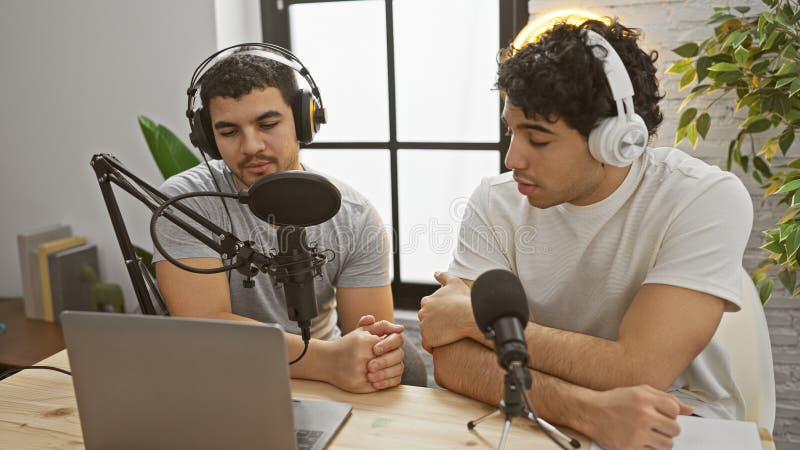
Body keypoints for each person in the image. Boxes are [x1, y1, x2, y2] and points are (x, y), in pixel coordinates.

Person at [418, 18, 752, 450]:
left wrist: (472, 320)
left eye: (537, 140)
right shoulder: (495, 200)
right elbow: (452, 362)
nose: (511, 158)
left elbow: (638, 370)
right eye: (510, 130)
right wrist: (585, 410)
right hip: (537, 413)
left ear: (615, 140)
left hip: (675, 417)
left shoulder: (703, 198)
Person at [152, 47, 420, 393]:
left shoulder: (354, 215)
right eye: (229, 132)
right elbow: (208, 329)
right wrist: (329, 361)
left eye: (267, 124)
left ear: (304, 120)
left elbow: (369, 339)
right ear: (208, 137)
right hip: (222, 378)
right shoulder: (187, 203)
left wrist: (372, 358)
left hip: (326, 384)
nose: (251, 146)